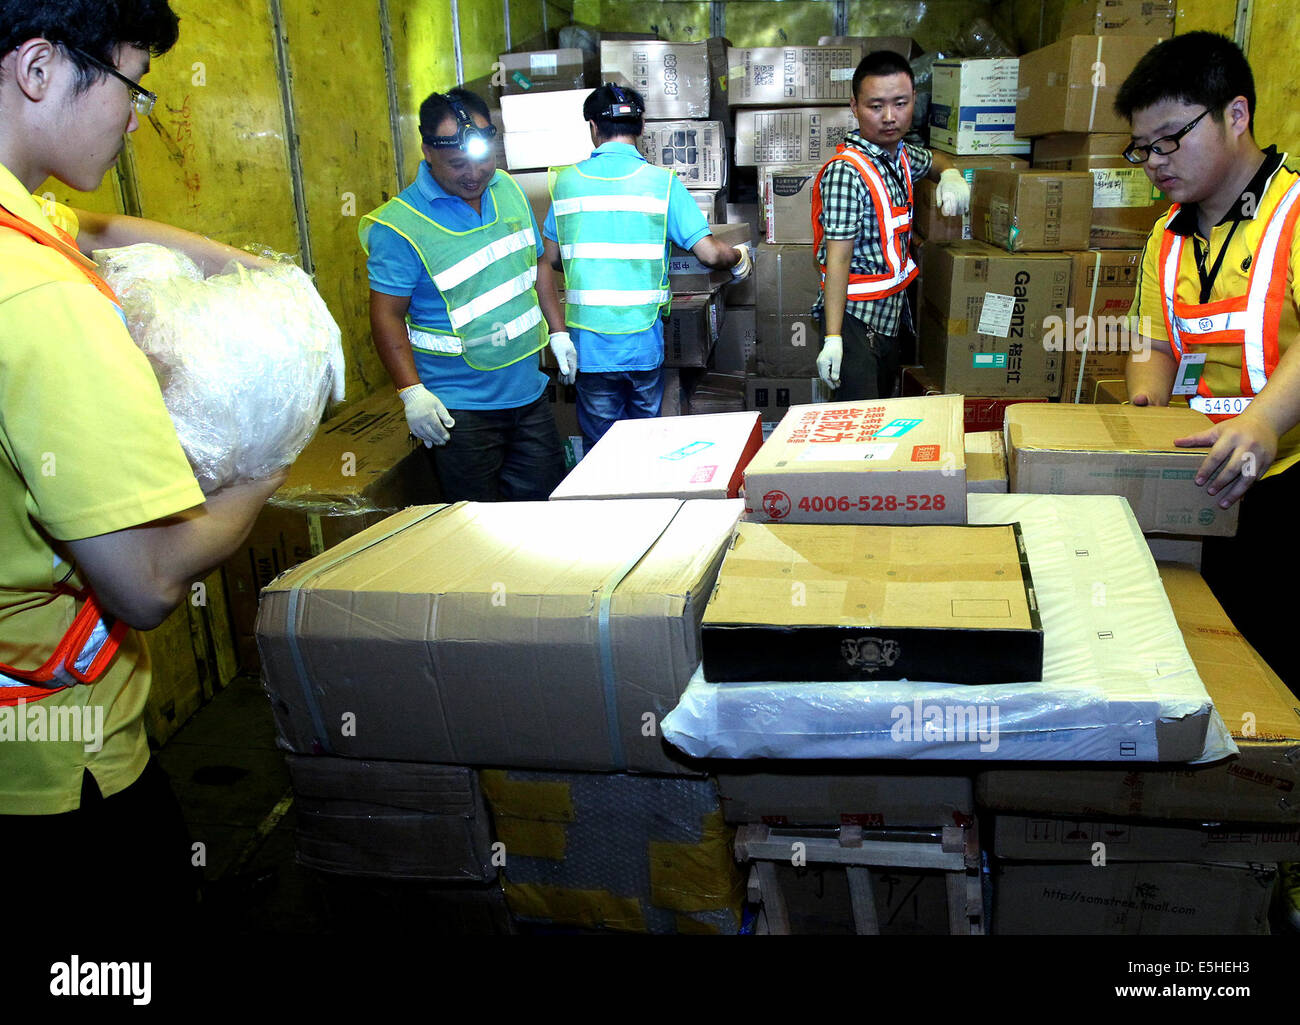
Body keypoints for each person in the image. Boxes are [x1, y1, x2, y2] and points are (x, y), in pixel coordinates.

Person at [0, 1, 292, 929]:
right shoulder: (41, 303)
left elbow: (94, 229)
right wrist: (266, 464)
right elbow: (147, 583)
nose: (138, 113)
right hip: (57, 767)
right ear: (40, 69)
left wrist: (255, 274)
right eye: (131, 83)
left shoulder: (24, 232)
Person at [1117, 29, 1300, 934]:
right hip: (1190, 492)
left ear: (1236, 116)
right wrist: (1144, 406)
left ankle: (1277, 865)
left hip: (1284, 495)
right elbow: (1151, 340)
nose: (1154, 164)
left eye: (1169, 140)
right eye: (1140, 148)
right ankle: (1200, 861)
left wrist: (1265, 421)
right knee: (1196, 678)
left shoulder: (1296, 214)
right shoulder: (1165, 238)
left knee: (1278, 689)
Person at [362, 88, 569, 501]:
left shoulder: (507, 189)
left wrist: (558, 330)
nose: (474, 174)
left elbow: (538, 262)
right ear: (427, 152)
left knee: (545, 512)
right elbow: (386, 316)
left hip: (528, 393)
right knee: (478, 527)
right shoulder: (400, 226)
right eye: (458, 164)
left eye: (484, 160)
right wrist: (411, 392)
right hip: (460, 410)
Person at [542, 83, 750, 450]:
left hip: (589, 347)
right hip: (642, 344)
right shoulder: (662, 184)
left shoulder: (566, 183)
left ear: (593, 127)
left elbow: (553, 259)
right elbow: (709, 254)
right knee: (643, 445)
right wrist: (738, 258)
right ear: (641, 128)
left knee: (602, 451)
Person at [812, 50, 971, 400]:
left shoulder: (900, 154)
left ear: (914, 100)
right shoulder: (846, 172)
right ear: (854, 106)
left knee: (881, 416)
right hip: (855, 320)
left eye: (900, 103)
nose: (889, 117)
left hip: (890, 315)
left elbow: (934, 160)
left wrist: (950, 173)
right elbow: (837, 259)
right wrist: (834, 338)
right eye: (875, 106)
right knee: (860, 427)